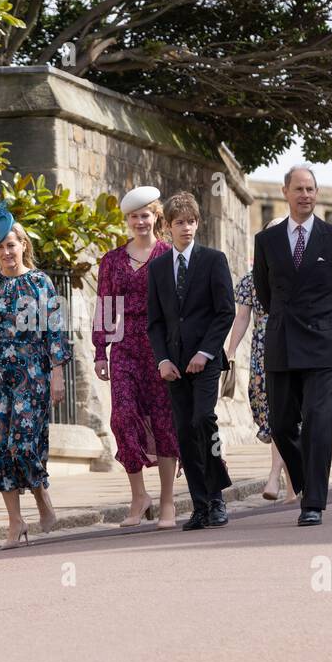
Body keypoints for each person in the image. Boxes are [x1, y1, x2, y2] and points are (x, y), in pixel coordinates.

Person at [253, 164, 332, 526]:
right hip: (282, 342)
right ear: (285, 192)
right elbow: (265, 294)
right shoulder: (266, 241)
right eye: (298, 189)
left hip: (322, 341)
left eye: (311, 189)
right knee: (281, 425)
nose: (306, 195)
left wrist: (328, 326)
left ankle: (313, 500)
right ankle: (304, 480)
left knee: (318, 421)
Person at [0, 202, 68, 548]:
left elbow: (54, 331)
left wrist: (57, 373)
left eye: (11, 245)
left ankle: (42, 499)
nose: (6, 252)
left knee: (23, 444)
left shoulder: (40, 283)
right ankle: (15, 521)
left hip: (33, 374)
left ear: (23, 244)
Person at [146, 191, 235, 531]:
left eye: (192, 221)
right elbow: (155, 322)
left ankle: (217, 498)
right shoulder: (156, 269)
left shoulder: (213, 260)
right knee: (184, 432)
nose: (187, 228)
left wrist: (205, 352)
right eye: (180, 222)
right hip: (174, 366)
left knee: (202, 420)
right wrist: (162, 360)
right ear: (166, 227)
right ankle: (200, 505)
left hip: (207, 360)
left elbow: (225, 310)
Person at [93, 186, 181, 528]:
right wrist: (101, 350)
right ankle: (138, 495)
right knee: (123, 416)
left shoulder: (168, 254)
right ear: (127, 221)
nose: (140, 221)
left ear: (156, 215)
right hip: (126, 344)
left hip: (161, 344)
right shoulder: (113, 260)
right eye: (134, 216)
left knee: (163, 419)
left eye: (145, 215)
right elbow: (106, 307)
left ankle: (168, 501)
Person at [227, 216, 294, 501]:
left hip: (295, 352)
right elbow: (242, 318)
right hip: (263, 357)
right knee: (275, 417)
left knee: (289, 417)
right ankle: (292, 487)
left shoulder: (298, 275)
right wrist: (229, 352)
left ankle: (275, 476)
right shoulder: (250, 279)